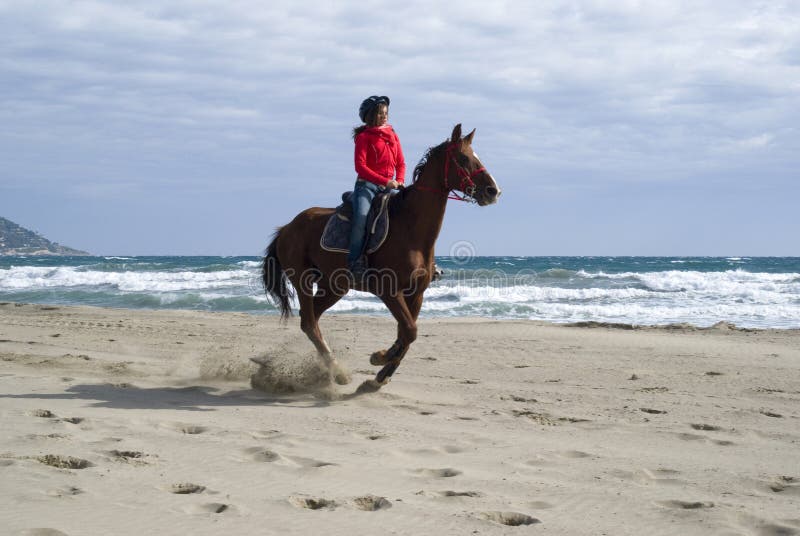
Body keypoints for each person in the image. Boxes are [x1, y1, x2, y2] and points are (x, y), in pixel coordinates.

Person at [347, 95, 406, 278]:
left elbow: (401, 163)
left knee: (411, 213)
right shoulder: (364, 138)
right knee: (361, 219)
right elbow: (361, 167)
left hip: (390, 186)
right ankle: (354, 263)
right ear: (371, 116)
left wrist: (401, 180)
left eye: (386, 113)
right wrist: (385, 181)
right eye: (380, 113)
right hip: (367, 187)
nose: (384, 116)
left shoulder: (393, 136)